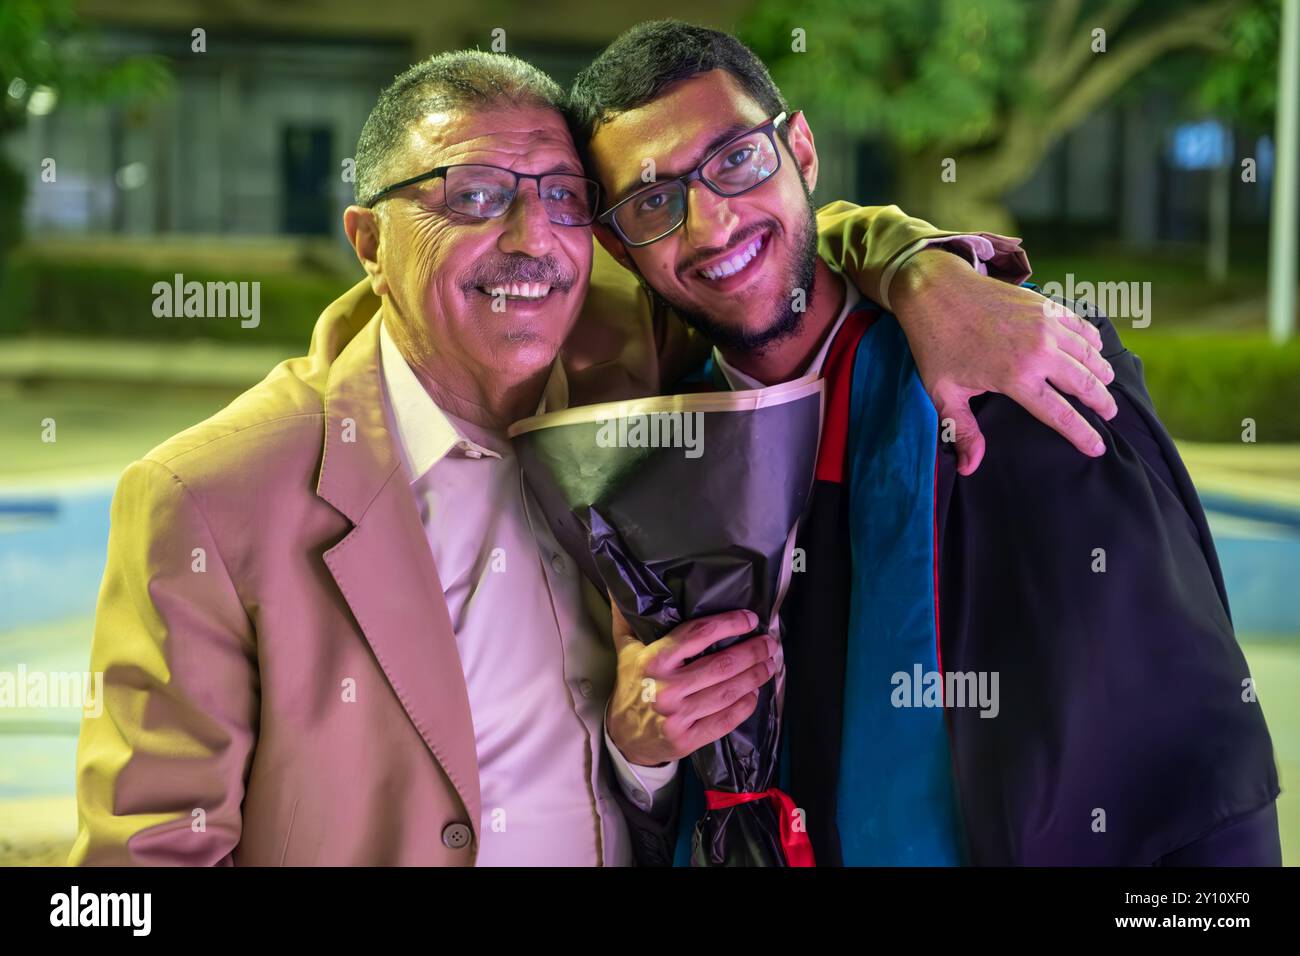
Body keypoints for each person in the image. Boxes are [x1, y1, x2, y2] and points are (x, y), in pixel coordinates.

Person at [70, 47, 1110, 866]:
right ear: (368, 240)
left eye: (566, 197)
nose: (534, 238)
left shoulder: (633, 364)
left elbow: (759, 231)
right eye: (472, 194)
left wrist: (924, 268)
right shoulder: (208, 499)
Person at [572, 20, 1282, 866]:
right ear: (618, 243)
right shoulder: (653, 468)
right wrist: (640, 754)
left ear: (800, 152)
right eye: (654, 201)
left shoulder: (1022, 375)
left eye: (736, 160)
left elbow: (1196, 764)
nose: (712, 223)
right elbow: (665, 792)